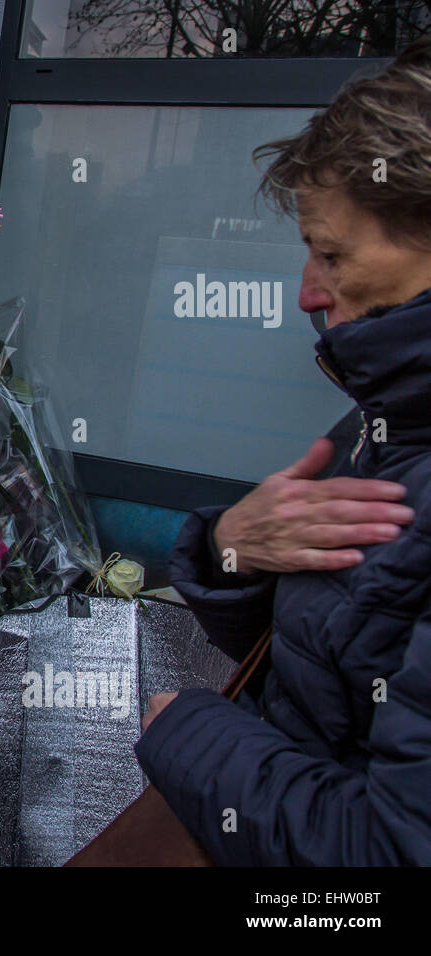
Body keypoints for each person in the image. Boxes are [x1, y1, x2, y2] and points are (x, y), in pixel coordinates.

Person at [135, 38, 431, 865]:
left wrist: (185, 734)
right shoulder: (387, 422)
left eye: (333, 254)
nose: (305, 290)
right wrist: (235, 547)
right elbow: (339, 671)